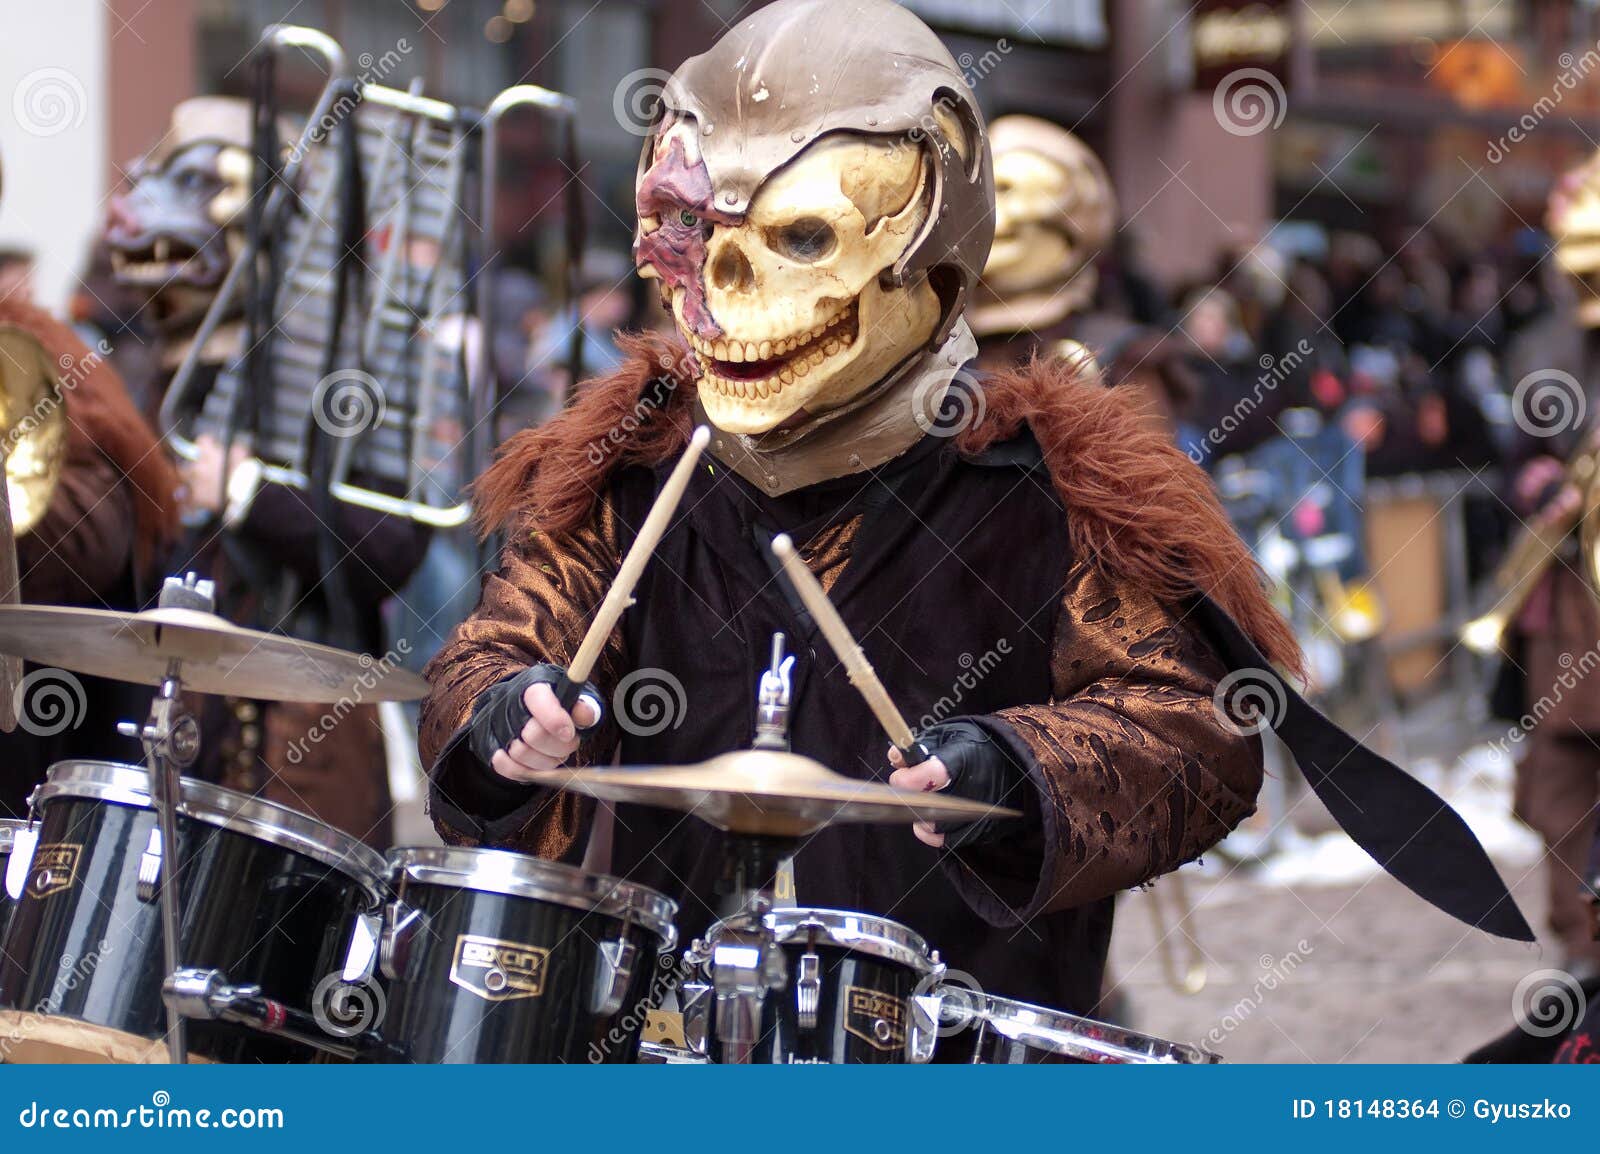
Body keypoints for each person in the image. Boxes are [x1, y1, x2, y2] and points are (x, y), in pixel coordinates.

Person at [420, 0, 1528, 1022]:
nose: (730, 285)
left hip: (956, 1035)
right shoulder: (631, 471)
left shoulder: (1048, 489)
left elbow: (1193, 730)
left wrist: (1022, 764)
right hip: (669, 1032)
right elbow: (494, 647)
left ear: (932, 243)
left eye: (803, 238)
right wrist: (504, 713)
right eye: (698, 232)